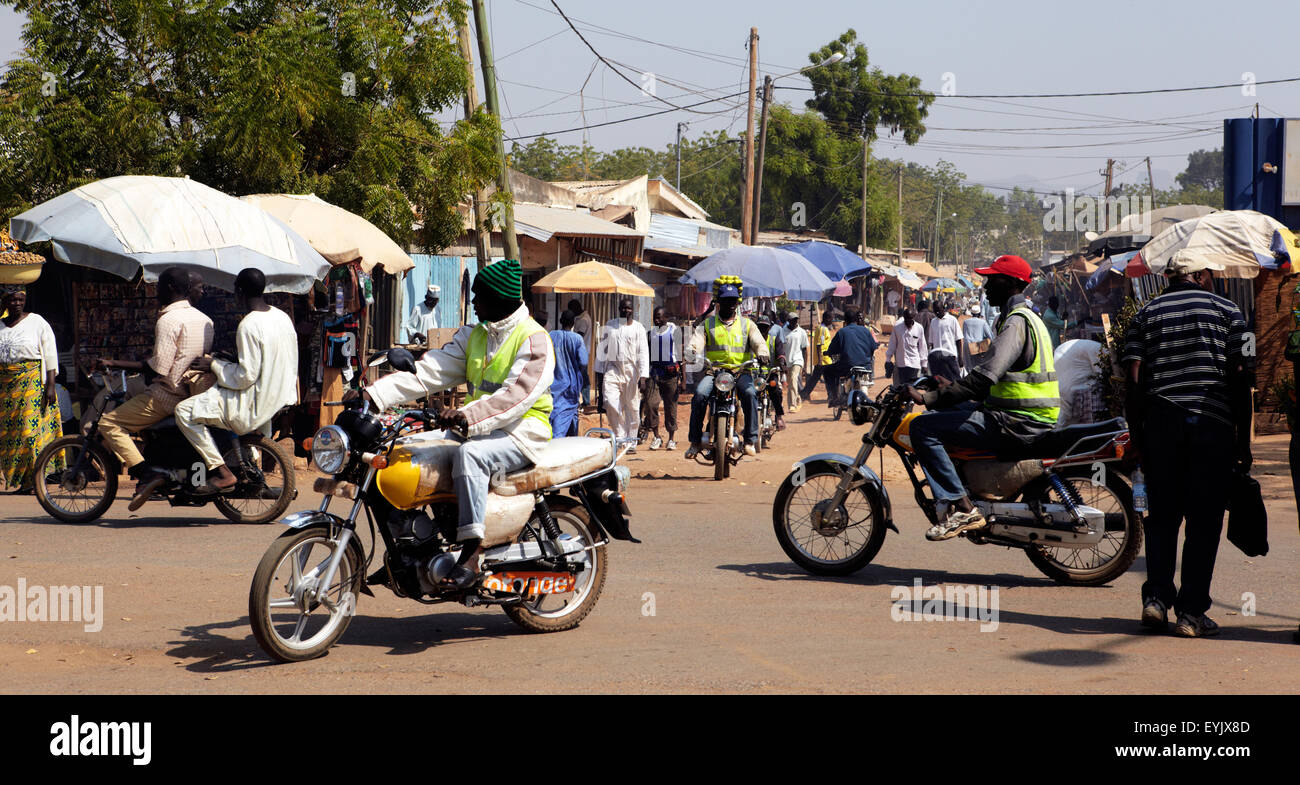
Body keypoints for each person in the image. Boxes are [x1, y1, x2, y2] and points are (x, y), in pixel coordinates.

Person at [355, 258, 554, 588]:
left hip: (521, 432)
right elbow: (431, 371)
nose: (473, 302)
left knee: (470, 456)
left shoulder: (534, 340)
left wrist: (466, 416)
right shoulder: (476, 335)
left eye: (479, 296)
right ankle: (407, 550)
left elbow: (515, 397)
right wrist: (374, 394)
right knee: (398, 451)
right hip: (476, 429)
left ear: (501, 299)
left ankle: (472, 552)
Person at [1122, 250, 1251, 638]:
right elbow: (1241, 378)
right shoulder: (1230, 313)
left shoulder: (1145, 315)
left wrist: (1137, 437)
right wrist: (1243, 440)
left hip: (1160, 428)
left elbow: (1133, 380)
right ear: (1202, 275)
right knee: (1204, 522)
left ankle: (1156, 600)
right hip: (1212, 428)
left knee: (1161, 518)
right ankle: (1191, 614)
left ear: (1168, 278)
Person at [904, 255, 1058, 542]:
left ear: (1010, 284)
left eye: (992, 280)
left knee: (922, 427)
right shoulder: (1025, 318)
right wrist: (952, 387)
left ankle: (963, 508)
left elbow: (983, 379)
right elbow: (995, 381)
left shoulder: (1016, 323)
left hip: (1016, 421)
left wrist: (928, 398)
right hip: (1018, 414)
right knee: (949, 412)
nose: (986, 287)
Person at [97, 267, 215, 508]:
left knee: (108, 423)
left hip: (166, 396)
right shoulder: (205, 320)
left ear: (169, 287)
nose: (155, 291)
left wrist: (114, 363)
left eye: (158, 286)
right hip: (192, 394)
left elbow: (159, 368)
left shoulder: (168, 320)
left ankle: (147, 474)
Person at [175, 268, 298, 496]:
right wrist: (231, 360)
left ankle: (222, 471)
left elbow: (245, 377)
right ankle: (249, 474)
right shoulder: (282, 317)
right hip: (280, 396)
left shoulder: (248, 325)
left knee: (183, 412)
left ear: (239, 292)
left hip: (254, 399)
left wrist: (213, 364)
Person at [685, 276, 769, 458]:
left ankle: (750, 440)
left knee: (750, 394)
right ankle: (695, 442)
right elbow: (696, 342)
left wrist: (763, 353)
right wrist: (691, 352)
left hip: (741, 372)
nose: (730, 304)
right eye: (726, 300)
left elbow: (759, 342)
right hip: (714, 373)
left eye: (733, 301)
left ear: (738, 303)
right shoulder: (708, 324)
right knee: (699, 395)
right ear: (718, 302)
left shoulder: (748, 324)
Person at [0, 284, 61, 493]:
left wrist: (50, 385)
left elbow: (50, 353)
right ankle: (24, 482)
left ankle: (37, 479)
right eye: (12, 299)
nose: (16, 303)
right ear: (4, 302)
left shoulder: (37, 322)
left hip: (32, 381)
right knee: (11, 434)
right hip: (5, 386)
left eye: (20, 299)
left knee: (29, 432)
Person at [595, 298, 649, 451]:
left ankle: (631, 440)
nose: (626, 311)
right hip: (613, 369)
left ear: (633, 310)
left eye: (629, 308)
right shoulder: (610, 326)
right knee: (610, 402)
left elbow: (643, 353)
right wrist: (599, 375)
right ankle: (620, 436)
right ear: (619, 309)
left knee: (632, 407)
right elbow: (602, 352)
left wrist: (643, 377)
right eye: (623, 308)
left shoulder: (638, 328)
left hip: (632, 372)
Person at [644, 306, 682, 450]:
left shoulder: (674, 332)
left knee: (670, 407)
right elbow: (646, 356)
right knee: (651, 404)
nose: (656, 320)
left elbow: (680, 355)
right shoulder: (650, 334)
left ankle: (671, 439)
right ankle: (656, 436)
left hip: (671, 375)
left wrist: (684, 379)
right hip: (655, 374)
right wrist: (643, 377)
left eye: (659, 317)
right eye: (655, 317)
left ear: (666, 318)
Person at [824, 307, 878, 406]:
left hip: (846, 367)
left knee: (827, 371)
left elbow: (832, 349)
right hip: (865, 367)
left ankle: (833, 397)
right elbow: (873, 347)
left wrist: (828, 352)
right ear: (856, 320)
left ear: (845, 321)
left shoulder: (842, 332)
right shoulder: (866, 331)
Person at [547, 309, 587, 438]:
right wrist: (578, 376)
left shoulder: (551, 335)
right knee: (565, 415)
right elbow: (584, 361)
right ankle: (559, 441)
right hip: (571, 387)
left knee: (556, 413)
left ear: (560, 321)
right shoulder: (577, 339)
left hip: (553, 385)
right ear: (573, 322)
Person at [756, 315, 786, 430]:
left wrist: (782, 363)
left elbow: (780, 353)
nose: (763, 329)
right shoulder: (752, 340)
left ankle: (779, 416)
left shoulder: (774, 340)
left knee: (775, 391)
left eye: (765, 327)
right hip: (755, 375)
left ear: (769, 328)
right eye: (760, 327)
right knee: (748, 393)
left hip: (770, 374)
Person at [884, 307, 928, 385]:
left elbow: (922, 347)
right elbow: (892, 344)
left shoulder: (919, 328)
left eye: (910, 319)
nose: (908, 321)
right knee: (901, 387)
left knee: (912, 387)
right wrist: (888, 359)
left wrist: (924, 364)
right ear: (904, 318)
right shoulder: (897, 328)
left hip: (914, 364)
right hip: (901, 364)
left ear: (914, 318)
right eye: (906, 319)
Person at [800, 310, 836, 402]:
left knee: (822, 378)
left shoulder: (822, 328)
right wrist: (820, 360)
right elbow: (819, 345)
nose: (832, 321)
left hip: (825, 359)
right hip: (823, 360)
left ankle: (830, 396)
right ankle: (804, 394)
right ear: (827, 319)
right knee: (820, 379)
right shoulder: (823, 329)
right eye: (831, 319)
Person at [927, 299, 963, 382]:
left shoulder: (952, 320)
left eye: (938, 310)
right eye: (935, 311)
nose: (937, 313)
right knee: (939, 382)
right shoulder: (933, 322)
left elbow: (958, 339)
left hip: (950, 355)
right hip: (937, 358)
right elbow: (932, 343)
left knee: (955, 380)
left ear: (943, 308)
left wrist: (960, 358)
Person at [568, 298, 592, 409]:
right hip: (582, 352)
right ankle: (585, 401)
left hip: (581, 353)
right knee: (582, 376)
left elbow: (578, 337)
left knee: (581, 377)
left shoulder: (583, 320)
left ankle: (585, 401)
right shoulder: (582, 318)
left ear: (576, 308)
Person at [782, 312, 808, 412]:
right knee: (791, 383)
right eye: (793, 320)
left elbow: (805, 349)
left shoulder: (801, 332)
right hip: (787, 361)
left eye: (796, 319)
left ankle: (792, 405)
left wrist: (805, 366)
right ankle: (798, 398)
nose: (795, 321)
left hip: (797, 360)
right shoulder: (783, 331)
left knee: (793, 379)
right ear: (788, 321)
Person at [961, 304, 995, 371]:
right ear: (979, 313)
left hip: (967, 345)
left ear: (971, 313)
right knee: (978, 367)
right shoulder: (983, 322)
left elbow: (964, 333)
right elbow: (990, 336)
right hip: (977, 346)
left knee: (968, 367)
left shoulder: (966, 322)